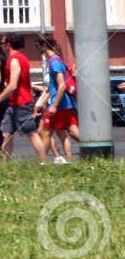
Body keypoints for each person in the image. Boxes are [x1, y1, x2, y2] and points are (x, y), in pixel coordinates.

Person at [0, 34, 45, 162]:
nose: (2, 46)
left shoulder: (15, 60)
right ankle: (4, 164)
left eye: (4, 44)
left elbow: (13, 85)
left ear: (8, 44)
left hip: (22, 103)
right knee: (6, 133)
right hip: (13, 104)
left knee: (32, 134)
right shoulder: (21, 58)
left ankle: (44, 162)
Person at [37, 35, 79, 164]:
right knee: (71, 131)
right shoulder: (56, 60)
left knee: (43, 131)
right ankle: (92, 150)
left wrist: (54, 105)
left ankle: (42, 162)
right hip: (65, 104)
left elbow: (61, 85)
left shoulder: (54, 62)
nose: (37, 48)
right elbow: (53, 87)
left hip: (59, 105)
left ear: (43, 46)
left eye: (37, 45)